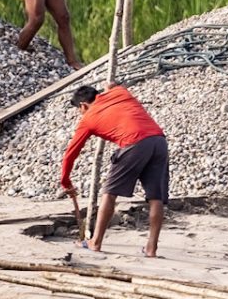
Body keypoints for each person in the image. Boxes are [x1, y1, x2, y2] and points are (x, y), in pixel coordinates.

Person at [60, 84, 169, 257]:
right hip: (159, 141)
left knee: (109, 193)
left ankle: (95, 242)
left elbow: (70, 154)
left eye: (79, 110)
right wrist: (109, 87)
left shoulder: (88, 118)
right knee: (156, 197)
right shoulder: (120, 92)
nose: (80, 114)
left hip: (134, 143)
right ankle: (151, 249)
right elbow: (114, 85)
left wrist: (65, 181)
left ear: (83, 106)